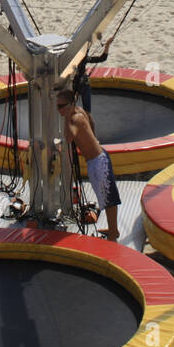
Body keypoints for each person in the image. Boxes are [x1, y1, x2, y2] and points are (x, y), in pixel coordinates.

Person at [55, 88, 120, 241]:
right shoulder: (80, 111)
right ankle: (113, 229)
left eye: (61, 106)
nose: (58, 110)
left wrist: (66, 117)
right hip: (96, 159)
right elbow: (92, 121)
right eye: (57, 106)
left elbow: (69, 137)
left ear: (70, 105)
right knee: (104, 198)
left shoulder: (74, 118)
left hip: (98, 162)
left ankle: (114, 233)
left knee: (109, 199)